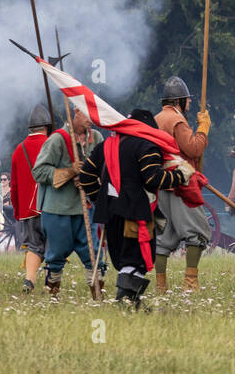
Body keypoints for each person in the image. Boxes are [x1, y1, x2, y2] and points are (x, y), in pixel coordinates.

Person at [77, 109, 191, 307]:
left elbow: (85, 177)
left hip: (110, 213)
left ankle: (133, 302)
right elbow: (153, 178)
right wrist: (181, 176)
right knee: (134, 258)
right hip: (135, 211)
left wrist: (100, 198)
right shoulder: (147, 146)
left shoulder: (105, 145)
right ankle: (125, 301)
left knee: (123, 258)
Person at [153, 75, 211, 293]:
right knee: (197, 232)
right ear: (178, 102)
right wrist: (204, 128)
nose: (190, 103)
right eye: (187, 100)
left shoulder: (157, 118)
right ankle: (190, 284)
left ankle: (161, 287)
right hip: (181, 186)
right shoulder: (176, 120)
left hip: (162, 185)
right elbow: (194, 148)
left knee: (164, 237)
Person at [31, 109, 97, 298]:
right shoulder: (57, 139)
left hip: (86, 207)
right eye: (87, 114)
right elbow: (39, 172)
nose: (92, 119)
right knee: (56, 256)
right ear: (75, 113)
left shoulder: (96, 138)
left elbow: (103, 168)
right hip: (57, 209)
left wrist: (88, 178)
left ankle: (98, 300)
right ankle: (52, 298)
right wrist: (69, 173)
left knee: (94, 257)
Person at [10, 105, 52, 291]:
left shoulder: (19, 149)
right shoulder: (52, 144)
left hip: (28, 209)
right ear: (47, 126)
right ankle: (50, 284)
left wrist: (18, 211)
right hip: (51, 206)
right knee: (53, 246)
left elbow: (15, 186)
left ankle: (30, 279)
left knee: (34, 246)